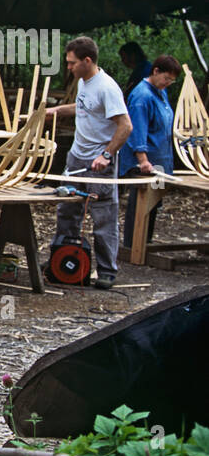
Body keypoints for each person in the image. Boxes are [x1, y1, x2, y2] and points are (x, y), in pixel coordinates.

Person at [45, 36, 132, 289]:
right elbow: (85, 107)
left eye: (72, 63)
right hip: (76, 156)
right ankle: (63, 260)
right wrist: (58, 111)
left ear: (87, 60)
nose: (68, 67)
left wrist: (105, 155)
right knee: (67, 210)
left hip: (98, 162)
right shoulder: (84, 82)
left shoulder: (106, 87)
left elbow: (125, 126)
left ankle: (107, 272)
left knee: (103, 216)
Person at [118, 53, 179, 249]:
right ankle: (132, 246)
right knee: (141, 204)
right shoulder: (142, 96)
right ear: (155, 71)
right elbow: (138, 130)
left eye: (172, 80)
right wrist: (142, 159)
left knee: (154, 204)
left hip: (161, 159)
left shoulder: (161, 91)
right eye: (166, 78)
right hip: (146, 161)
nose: (168, 83)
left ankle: (146, 243)